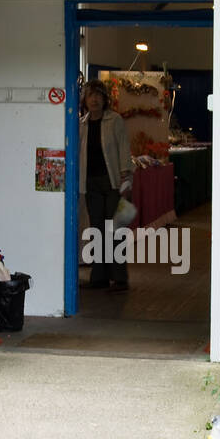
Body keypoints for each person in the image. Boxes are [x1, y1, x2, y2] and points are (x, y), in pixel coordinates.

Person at [79, 79, 134, 290]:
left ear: (105, 99)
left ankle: (120, 278)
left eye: (99, 96)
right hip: (91, 184)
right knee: (97, 230)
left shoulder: (115, 120)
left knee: (115, 230)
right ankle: (99, 276)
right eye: (91, 95)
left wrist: (125, 178)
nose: (94, 100)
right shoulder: (82, 124)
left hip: (113, 182)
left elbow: (123, 150)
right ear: (85, 99)